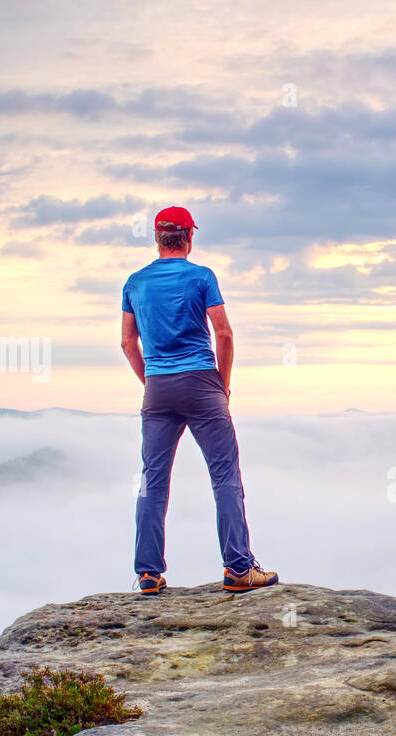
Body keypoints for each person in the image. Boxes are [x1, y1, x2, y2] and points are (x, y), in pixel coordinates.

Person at [120, 205, 278, 595]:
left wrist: (150, 379)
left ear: (158, 238)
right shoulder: (201, 277)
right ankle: (239, 569)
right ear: (189, 238)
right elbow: (223, 334)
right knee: (224, 475)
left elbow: (127, 341)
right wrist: (222, 387)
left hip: (157, 387)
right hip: (202, 383)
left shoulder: (135, 283)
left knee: (152, 481)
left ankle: (148, 574)